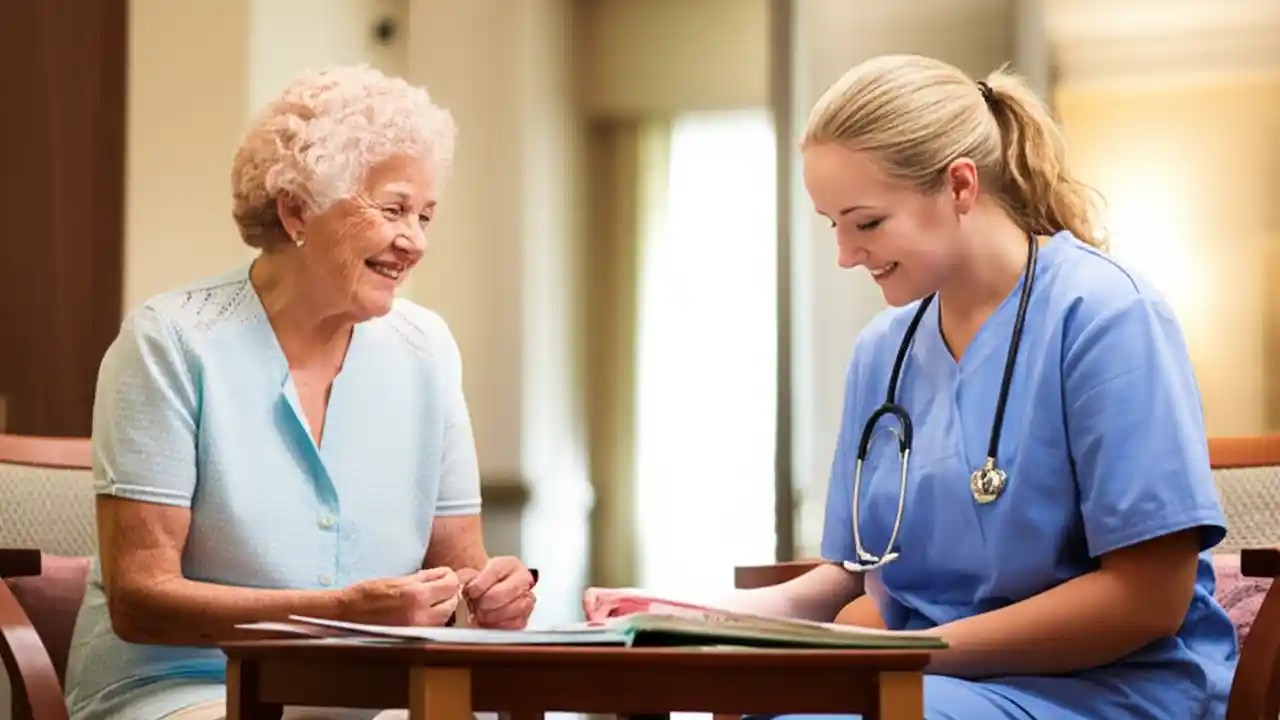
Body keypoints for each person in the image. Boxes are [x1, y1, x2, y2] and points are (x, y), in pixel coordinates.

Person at [596, 54, 1238, 718]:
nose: (846, 254)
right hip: (929, 680)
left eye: (867, 222)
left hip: (1106, 687)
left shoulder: (1106, 315)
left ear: (960, 186)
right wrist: (684, 614)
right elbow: (846, 578)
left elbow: (1149, 599)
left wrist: (911, 652)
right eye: (833, 224)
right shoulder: (885, 349)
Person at [63, 65, 536, 720]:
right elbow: (141, 600)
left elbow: (460, 581)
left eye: (426, 215)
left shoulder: (427, 352)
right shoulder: (172, 341)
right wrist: (337, 614)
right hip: (185, 689)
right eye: (394, 209)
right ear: (296, 210)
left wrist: (492, 596)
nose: (415, 241)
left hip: (369, 693)